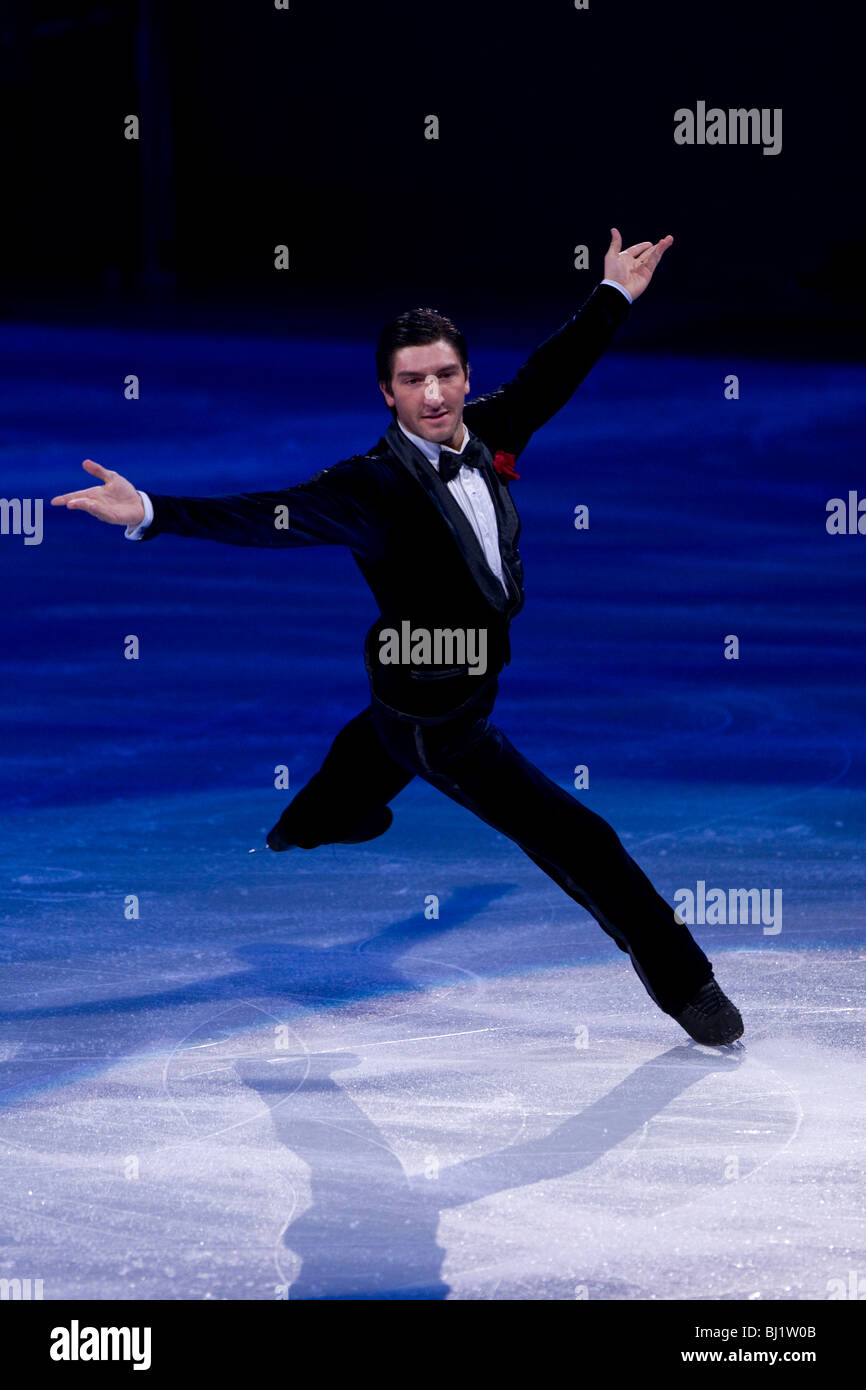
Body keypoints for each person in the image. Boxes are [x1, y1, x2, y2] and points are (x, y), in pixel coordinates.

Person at [51, 228, 744, 1047]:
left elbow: (551, 377)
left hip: (412, 687)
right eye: (413, 381)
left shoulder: (488, 432)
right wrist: (154, 512)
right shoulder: (368, 487)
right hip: (441, 722)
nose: (434, 393)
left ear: (465, 378)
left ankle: (304, 825)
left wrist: (614, 294)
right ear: (387, 393)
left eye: (446, 374)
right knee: (578, 840)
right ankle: (689, 986)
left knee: (365, 755)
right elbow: (273, 516)